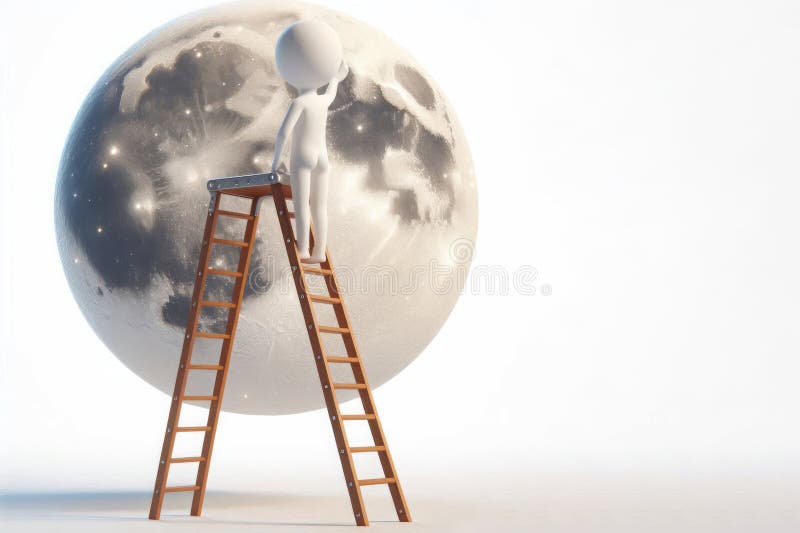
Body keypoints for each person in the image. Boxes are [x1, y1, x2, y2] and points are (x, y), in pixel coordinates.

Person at [270, 20, 348, 263]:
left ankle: (303, 249)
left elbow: (283, 133)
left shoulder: (299, 103)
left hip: (302, 157)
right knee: (319, 207)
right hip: (322, 159)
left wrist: (275, 163)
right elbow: (332, 91)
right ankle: (319, 252)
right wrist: (336, 76)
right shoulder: (323, 101)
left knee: (302, 205)